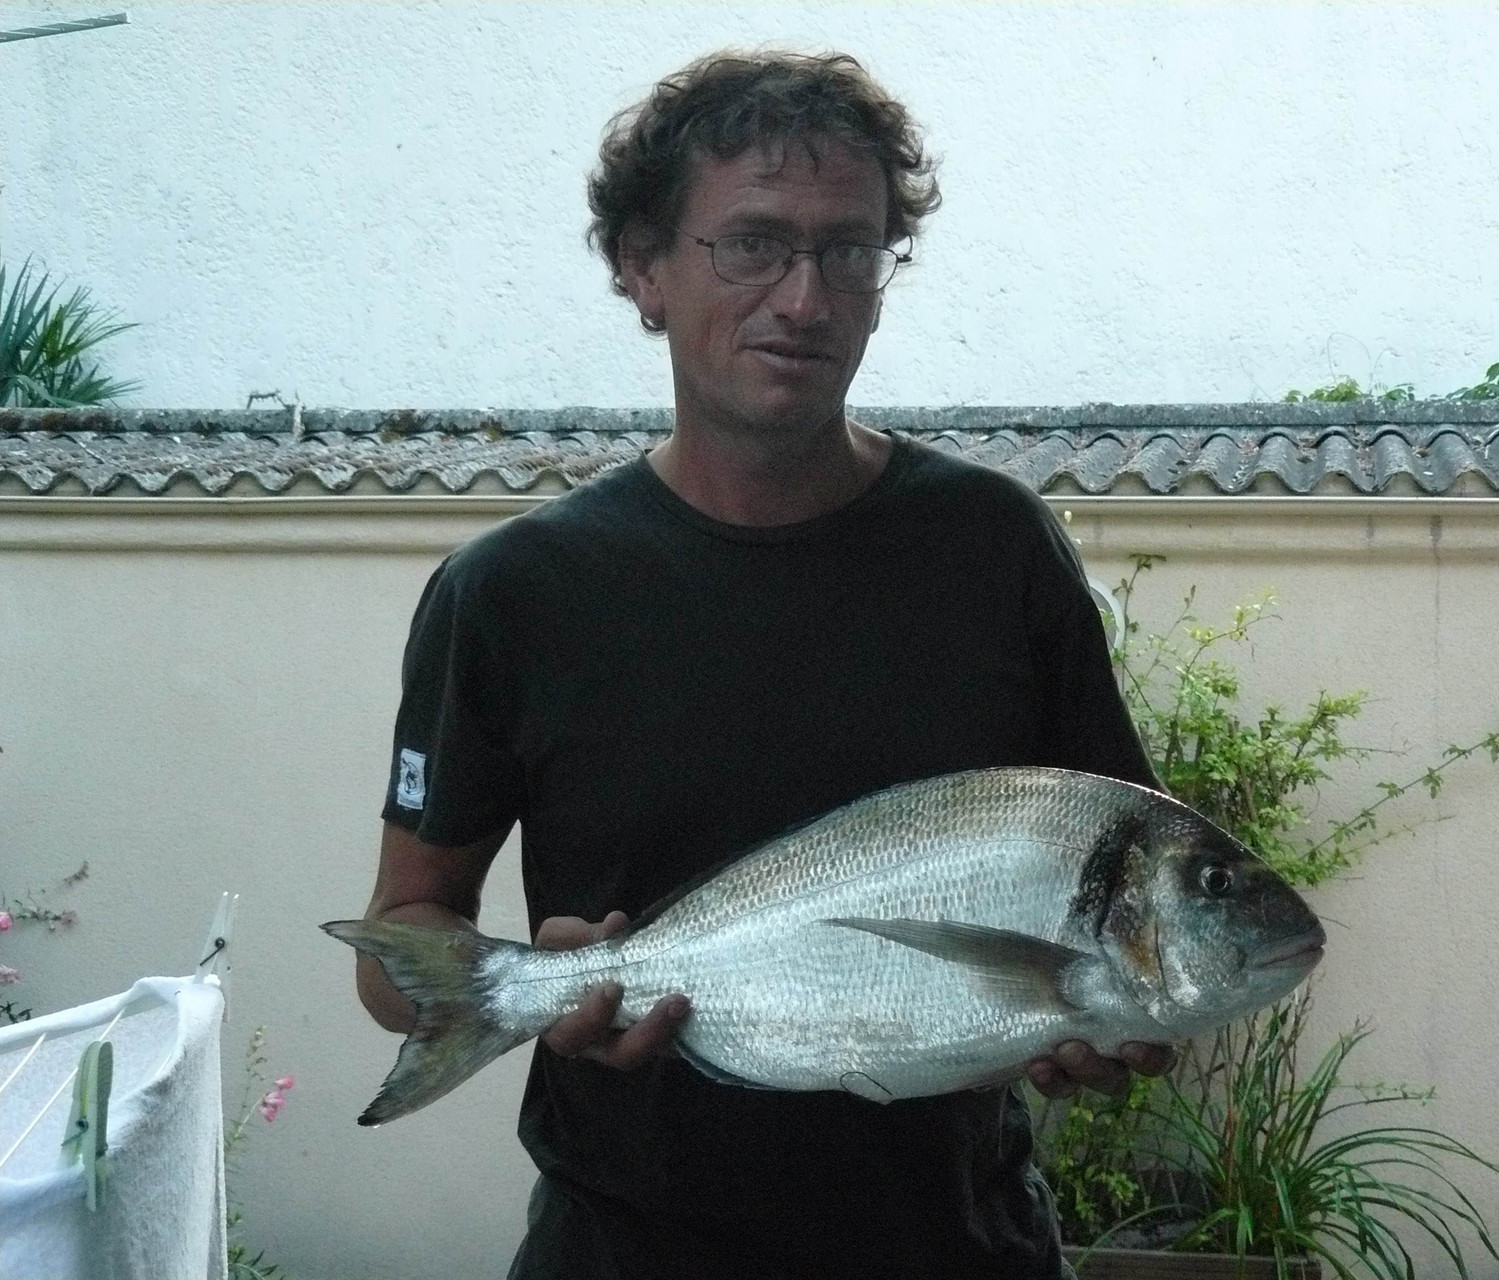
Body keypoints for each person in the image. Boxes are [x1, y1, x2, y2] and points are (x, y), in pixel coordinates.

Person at [354, 49, 1173, 1280]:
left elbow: (1127, 869)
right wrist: (535, 990)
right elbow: (401, 938)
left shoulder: (994, 549)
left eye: (850, 250)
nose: (804, 297)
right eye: (752, 245)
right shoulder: (511, 592)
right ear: (641, 265)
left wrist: (1118, 1022)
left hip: (956, 1247)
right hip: (626, 1251)